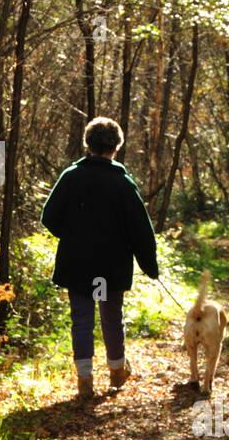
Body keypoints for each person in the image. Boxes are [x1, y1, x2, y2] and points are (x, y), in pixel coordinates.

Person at [41, 117, 159, 402]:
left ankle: (85, 380)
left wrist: (72, 236)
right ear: (116, 146)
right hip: (110, 265)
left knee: (81, 319)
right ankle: (117, 372)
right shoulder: (122, 182)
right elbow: (140, 230)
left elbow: (49, 217)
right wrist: (150, 266)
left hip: (78, 263)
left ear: (88, 144)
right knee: (111, 317)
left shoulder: (71, 176)